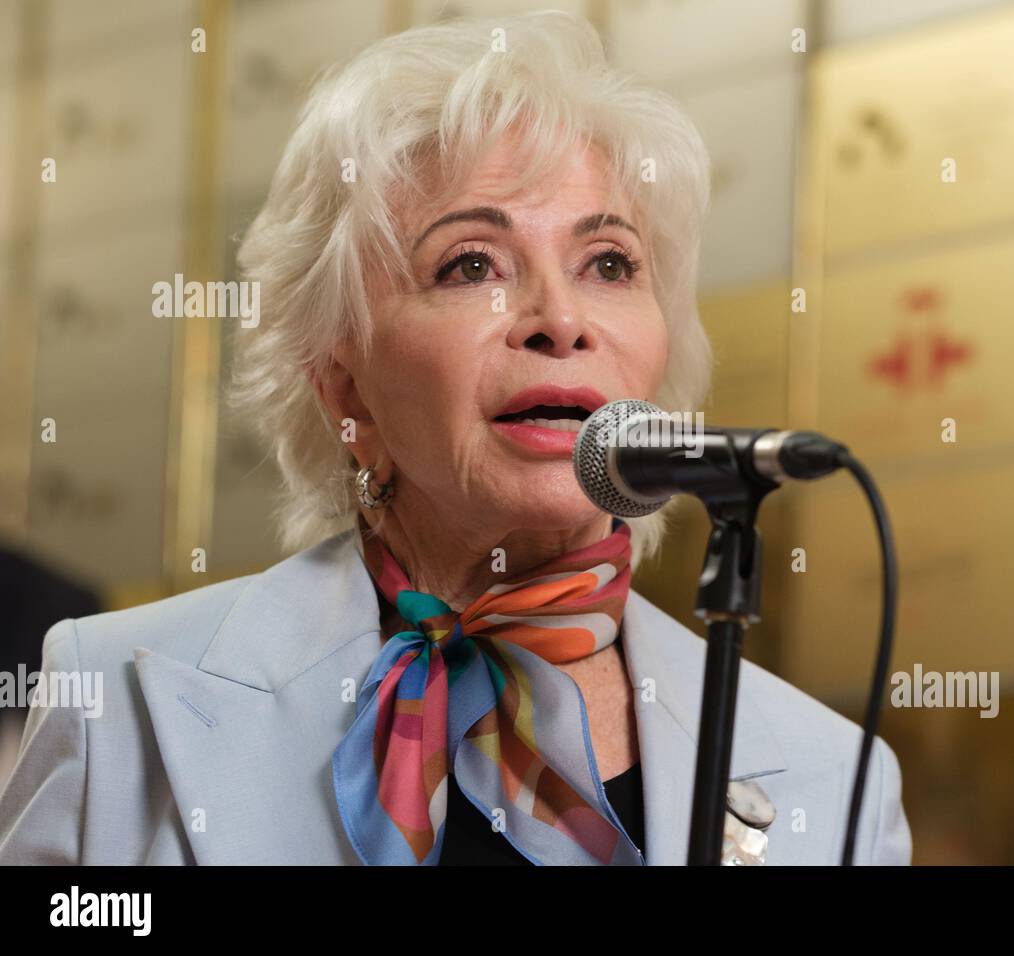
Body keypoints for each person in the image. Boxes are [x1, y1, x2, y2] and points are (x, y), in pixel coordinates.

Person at [0, 11, 910, 866]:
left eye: (609, 264)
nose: (561, 318)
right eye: (471, 264)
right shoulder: (117, 695)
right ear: (344, 385)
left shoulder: (833, 778)